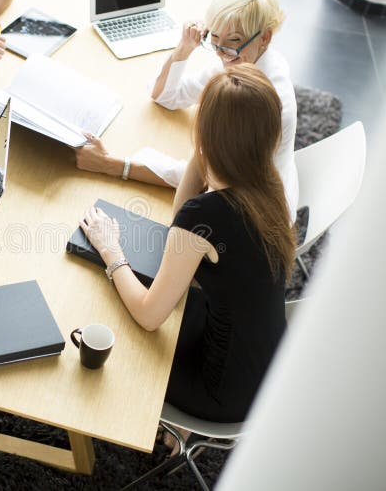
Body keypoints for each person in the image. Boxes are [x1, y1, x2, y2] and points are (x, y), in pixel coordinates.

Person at [80, 64, 295, 435]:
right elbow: (178, 228)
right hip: (266, 368)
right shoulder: (270, 184)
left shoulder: (207, 214)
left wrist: (110, 250)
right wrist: (205, 151)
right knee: (152, 288)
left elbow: (150, 316)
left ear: (208, 133)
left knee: (114, 308)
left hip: (220, 392)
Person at [76, 0, 299, 221]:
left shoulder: (260, 104)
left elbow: (207, 177)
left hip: (256, 216)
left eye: (233, 40)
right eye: (214, 38)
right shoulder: (239, 60)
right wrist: (184, 48)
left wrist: (114, 165)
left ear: (264, 38)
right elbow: (165, 96)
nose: (221, 53)